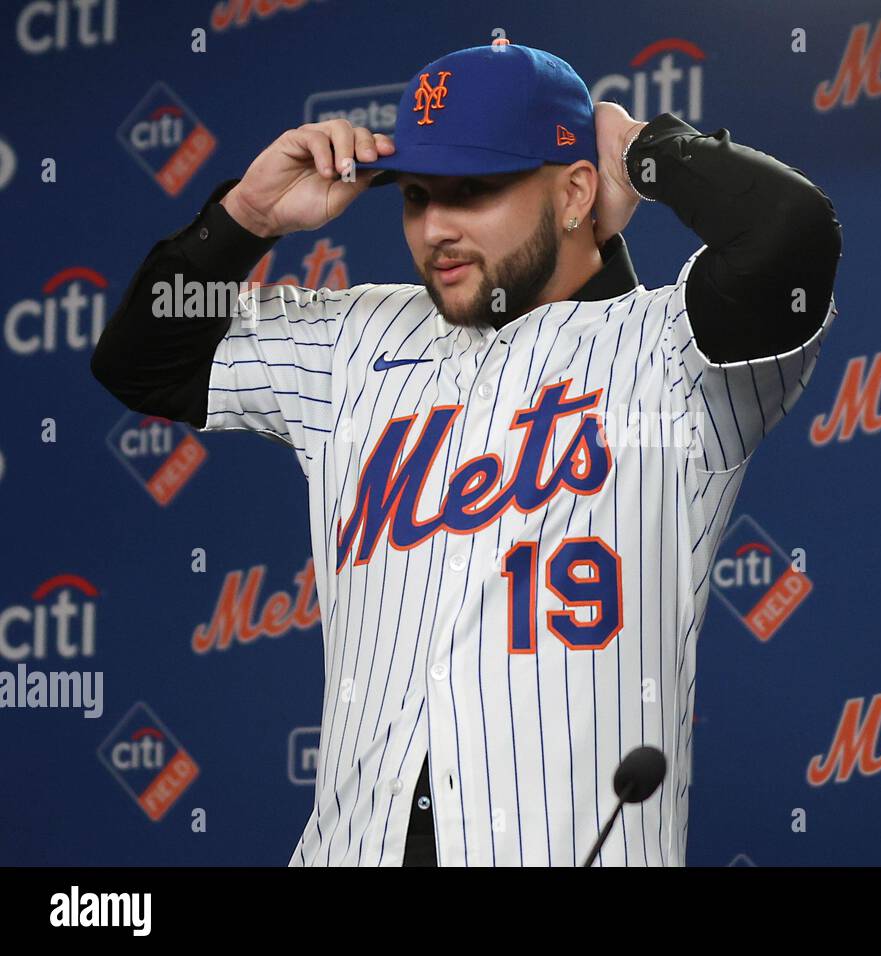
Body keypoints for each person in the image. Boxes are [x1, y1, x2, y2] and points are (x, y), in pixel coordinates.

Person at [91, 41, 841, 866]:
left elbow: (790, 233)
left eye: (473, 190)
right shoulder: (356, 334)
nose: (435, 227)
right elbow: (140, 359)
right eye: (417, 195)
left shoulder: (671, 352)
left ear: (575, 192)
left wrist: (644, 151)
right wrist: (246, 220)